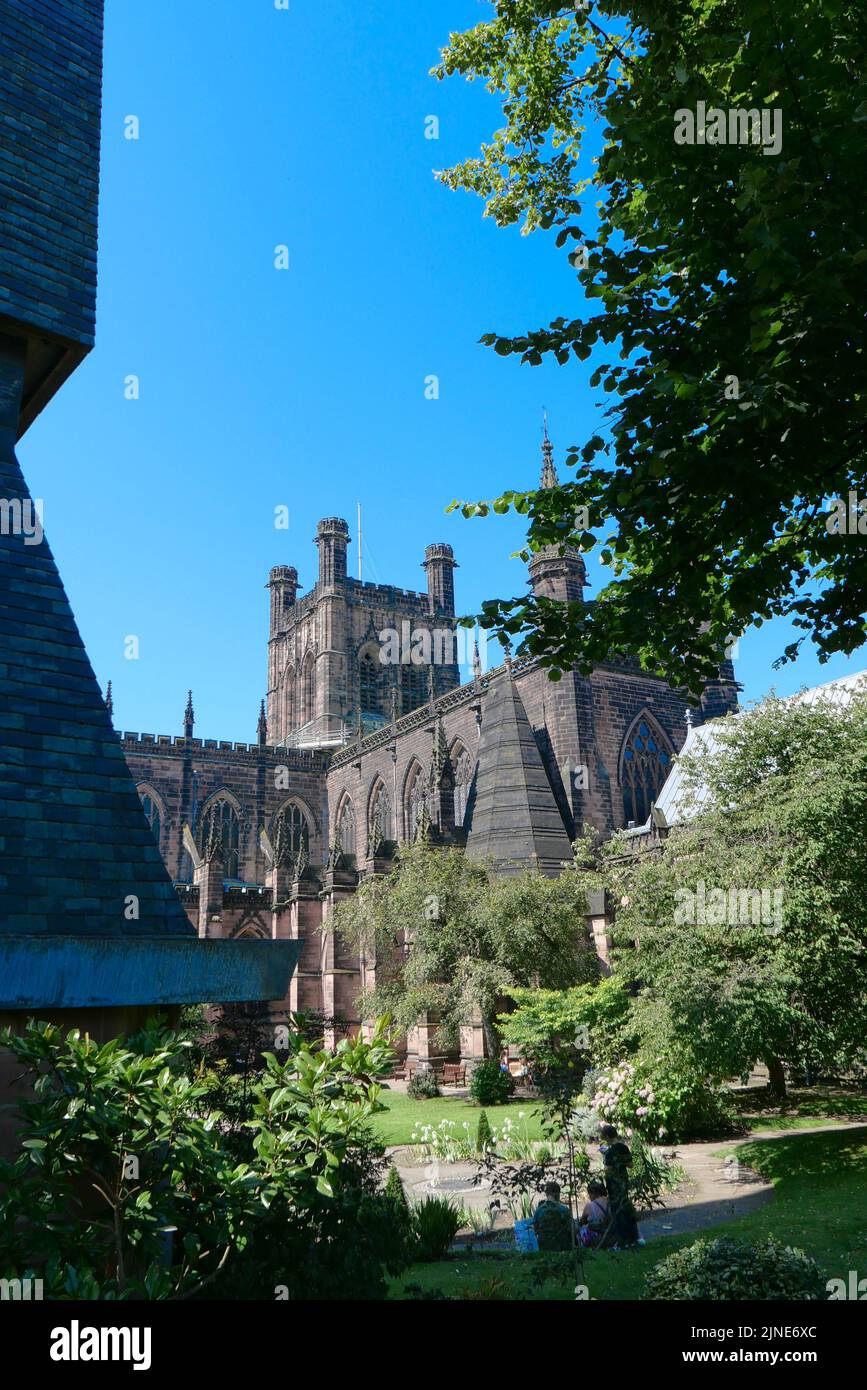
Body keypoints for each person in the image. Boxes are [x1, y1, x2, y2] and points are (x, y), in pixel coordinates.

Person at [599, 1123, 642, 1247]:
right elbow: (630, 1165)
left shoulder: (609, 1152)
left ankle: (622, 1240)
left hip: (614, 1186)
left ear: (607, 1137)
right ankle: (633, 1238)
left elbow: (607, 1170)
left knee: (617, 1214)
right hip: (624, 1183)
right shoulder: (624, 1148)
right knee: (626, 1209)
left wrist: (606, 1157)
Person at [532, 1181, 574, 1252]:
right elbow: (573, 1229)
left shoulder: (539, 1210)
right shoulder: (564, 1209)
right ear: (558, 1194)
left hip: (544, 1245)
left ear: (546, 1194)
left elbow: (534, 1229)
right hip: (562, 1245)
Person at [579, 1180, 610, 1248]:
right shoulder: (609, 1202)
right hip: (610, 1236)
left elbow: (582, 1222)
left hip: (597, 1238)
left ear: (593, 1193)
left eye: (589, 1194)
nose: (589, 1197)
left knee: (581, 1229)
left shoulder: (590, 1206)